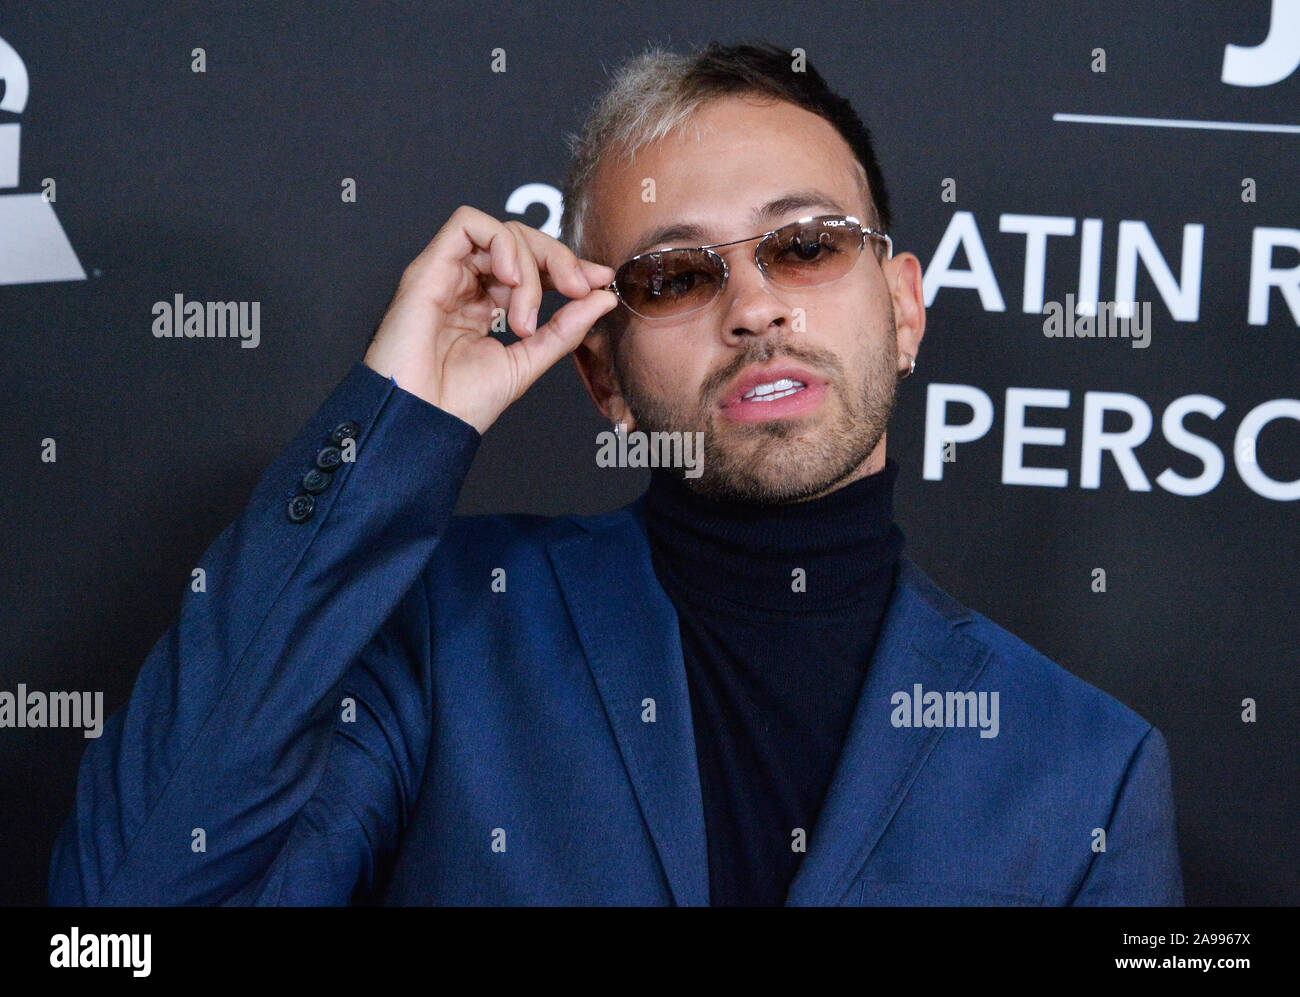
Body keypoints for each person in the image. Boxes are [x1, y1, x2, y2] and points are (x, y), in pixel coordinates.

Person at [48, 41, 1183, 906]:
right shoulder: (445, 629)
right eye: (675, 277)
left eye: (805, 244)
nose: (754, 309)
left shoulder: (1088, 764)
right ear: (601, 372)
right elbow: (126, 906)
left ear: (901, 307)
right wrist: (403, 414)